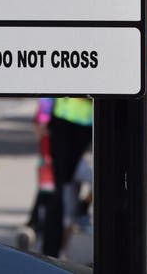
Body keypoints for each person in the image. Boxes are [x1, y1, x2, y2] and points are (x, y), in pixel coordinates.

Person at [41, 97, 93, 259]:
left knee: (67, 193)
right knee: (60, 193)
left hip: (88, 125)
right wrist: (43, 115)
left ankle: (79, 213)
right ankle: (52, 252)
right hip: (62, 123)